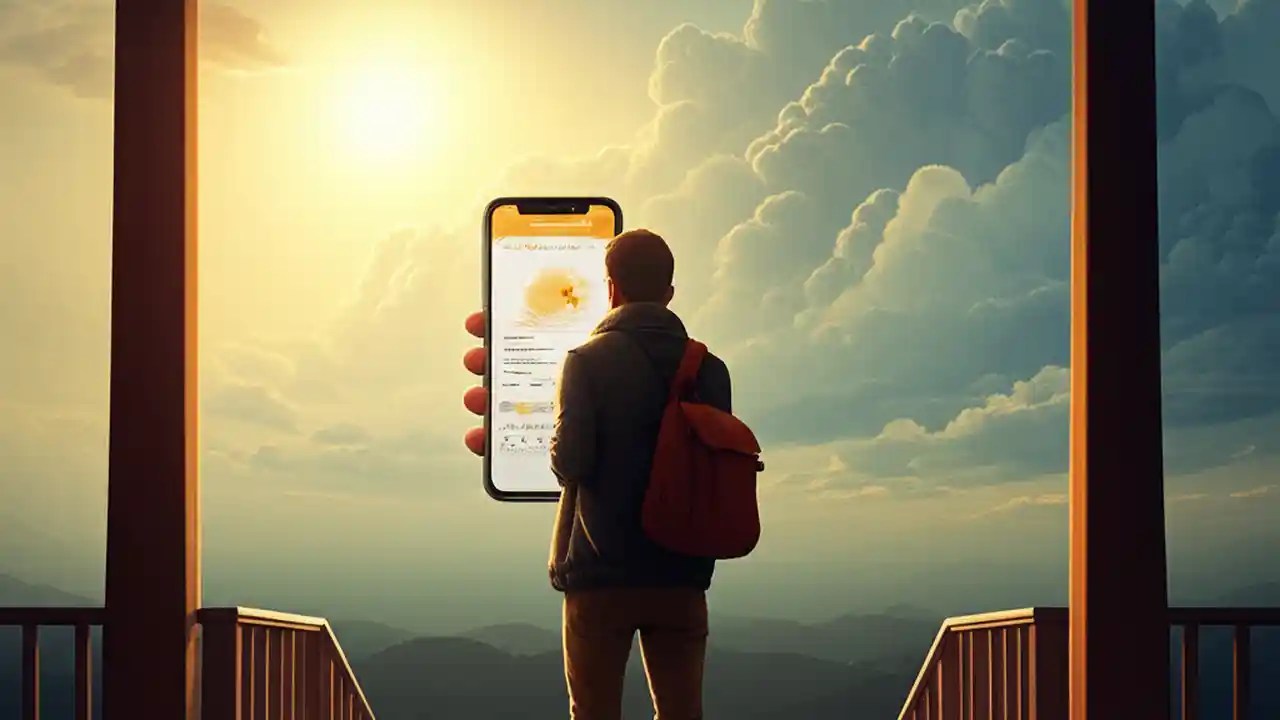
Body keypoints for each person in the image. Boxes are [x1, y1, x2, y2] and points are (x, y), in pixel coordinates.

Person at [462, 229, 732, 720]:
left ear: (611, 288)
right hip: (683, 574)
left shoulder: (585, 361)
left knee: (593, 712)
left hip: (599, 572)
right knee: (681, 712)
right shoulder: (710, 369)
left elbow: (571, 462)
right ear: (669, 292)